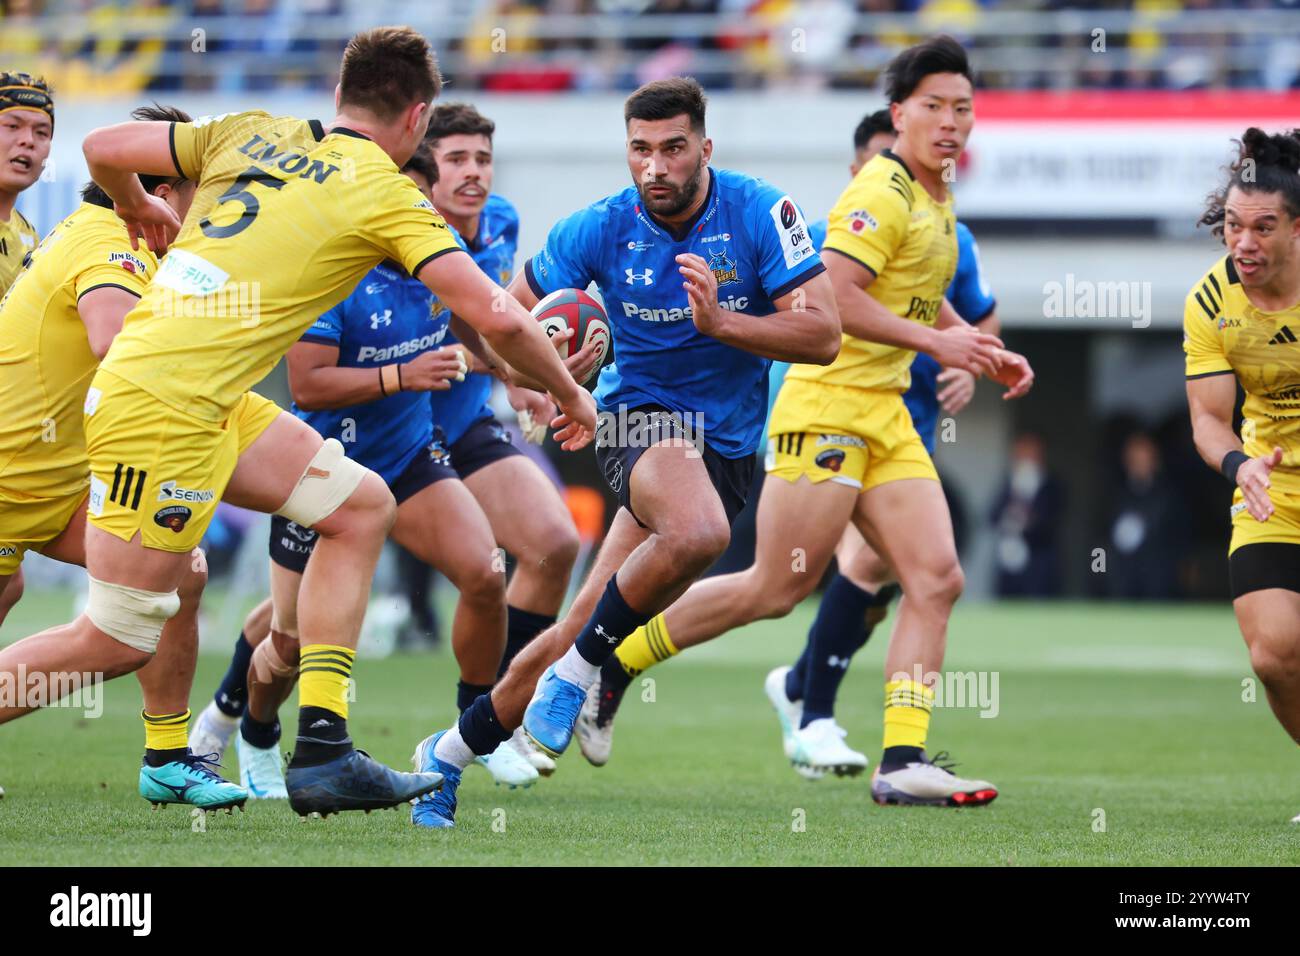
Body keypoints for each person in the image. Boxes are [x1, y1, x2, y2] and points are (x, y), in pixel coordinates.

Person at [0, 27, 595, 818]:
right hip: (160, 404)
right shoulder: (383, 191)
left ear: (341, 94)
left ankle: (321, 746)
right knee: (119, 635)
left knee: (359, 505)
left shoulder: (252, 130)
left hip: (209, 394)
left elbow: (105, 143)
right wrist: (575, 396)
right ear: (417, 118)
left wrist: (137, 200)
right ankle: (228, 743)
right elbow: (493, 311)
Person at [543, 36, 1036, 809]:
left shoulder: (936, 198)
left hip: (886, 412)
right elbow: (837, 298)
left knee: (936, 578)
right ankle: (616, 660)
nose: (950, 122)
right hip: (830, 401)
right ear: (899, 114)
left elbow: (912, 289)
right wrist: (941, 342)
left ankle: (902, 759)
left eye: (962, 108)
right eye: (933, 107)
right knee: (775, 587)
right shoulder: (884, 190)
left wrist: (970, 346)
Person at [408, 75, 842, 828]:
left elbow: (824, 334)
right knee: (700, 534)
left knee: (581, 616)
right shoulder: (600, 226)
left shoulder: (763, 211)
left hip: (728, 447)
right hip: (635, 421)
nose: (656, 167)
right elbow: (502, 314)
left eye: (674, 149)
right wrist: (540, 384)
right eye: (641, 150)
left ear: (705, 148)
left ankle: (444, 756)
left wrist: (724, 325)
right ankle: (579, 679)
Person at [188, 143, 579, 796]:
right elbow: (307, 385)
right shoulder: (331, 271)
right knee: (287, 639)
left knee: (485, 572)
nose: (420, 211)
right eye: (409, 194)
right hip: (322, 468)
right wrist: (403, 373)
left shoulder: (438, 256)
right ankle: (254, 727)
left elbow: (472, 320)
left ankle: (476, 726)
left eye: (423, 199)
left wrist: (520, 376)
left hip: (407, 457)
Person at [0, 104, 245, 809]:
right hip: (15, 484)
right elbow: (112, 340)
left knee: (179, 573)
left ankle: (168, 755)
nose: (214, 209)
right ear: (159, 192)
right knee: (108, 626)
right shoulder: (113, 240)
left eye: (40, 131)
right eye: (205, 190)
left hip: (54, 483)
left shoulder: (58, 232)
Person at [1183, 126, 1300, 823]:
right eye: (1232, 225)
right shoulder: (1211, 301)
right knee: (1273, 655)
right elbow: (1207, 417)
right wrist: (1239, 464)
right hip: (1272, 490)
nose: (1243, 243)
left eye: (1262, 227)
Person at [0, 72, 53, 645]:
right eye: (12, 126)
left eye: (41, 132)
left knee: (8, 585)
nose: (28, 143)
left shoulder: (26, 233)